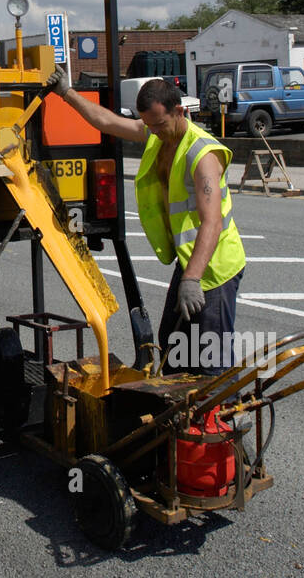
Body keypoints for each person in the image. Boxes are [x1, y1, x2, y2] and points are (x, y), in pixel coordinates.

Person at [48, 71, 246, 375]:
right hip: (191, 262)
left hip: (215, 267)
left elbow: (212, 224)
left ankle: (219, 419)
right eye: (148, 125)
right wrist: (67, 93)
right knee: (174, 349)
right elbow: (107, 122)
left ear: (179, 111)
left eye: (159, 124)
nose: (153, 132)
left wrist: (191, 280)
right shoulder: (157, 133)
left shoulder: (203, 154)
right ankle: (182, 416)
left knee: (210, 359)